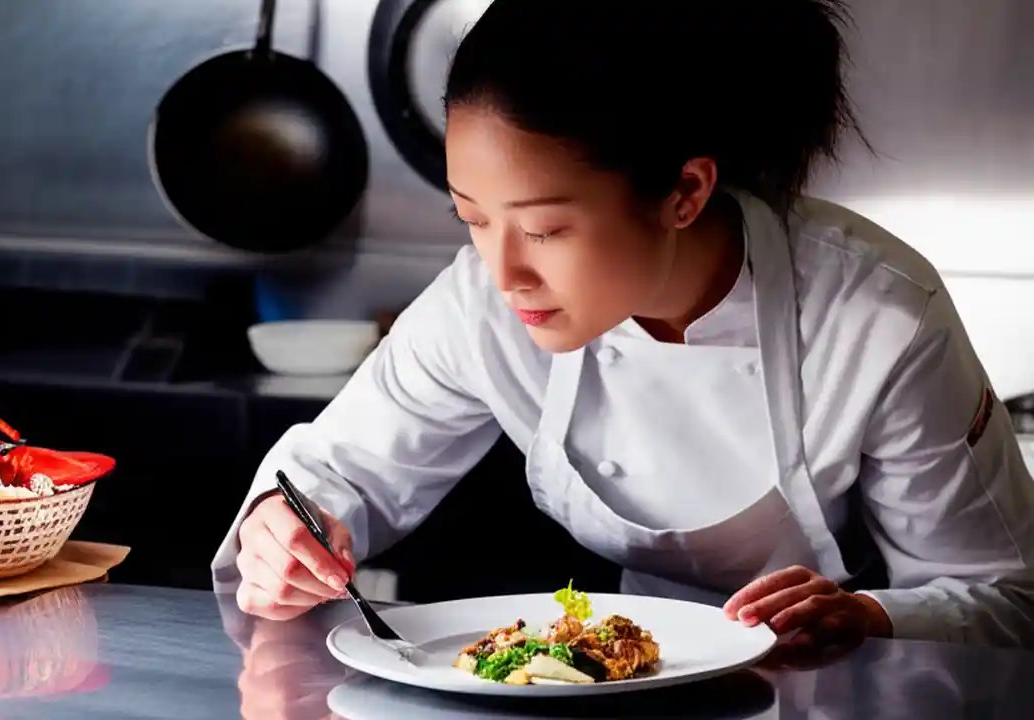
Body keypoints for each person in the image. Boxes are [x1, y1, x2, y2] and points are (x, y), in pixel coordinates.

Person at [211, 0, 1034, 650]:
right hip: (621, 673)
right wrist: (285, 537)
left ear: (684, 192)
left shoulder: (878, 317)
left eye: (545, 229)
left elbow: (1005, 598)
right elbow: (333, 476)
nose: (504, 273)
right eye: (472, 219)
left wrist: (871, 620)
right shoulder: (482, 301)